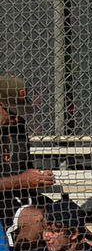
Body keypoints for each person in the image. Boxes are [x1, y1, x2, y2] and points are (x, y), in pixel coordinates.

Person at [0, 75, 55, 215]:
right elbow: (20, 179)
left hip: (18, 198)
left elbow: (23, 168)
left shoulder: (17, 127)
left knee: (67, 214)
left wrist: (40, 177)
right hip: (4, 204)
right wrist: (21, 181)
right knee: (36, 218)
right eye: (12, 112)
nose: (17, 118)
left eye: (20, 112)